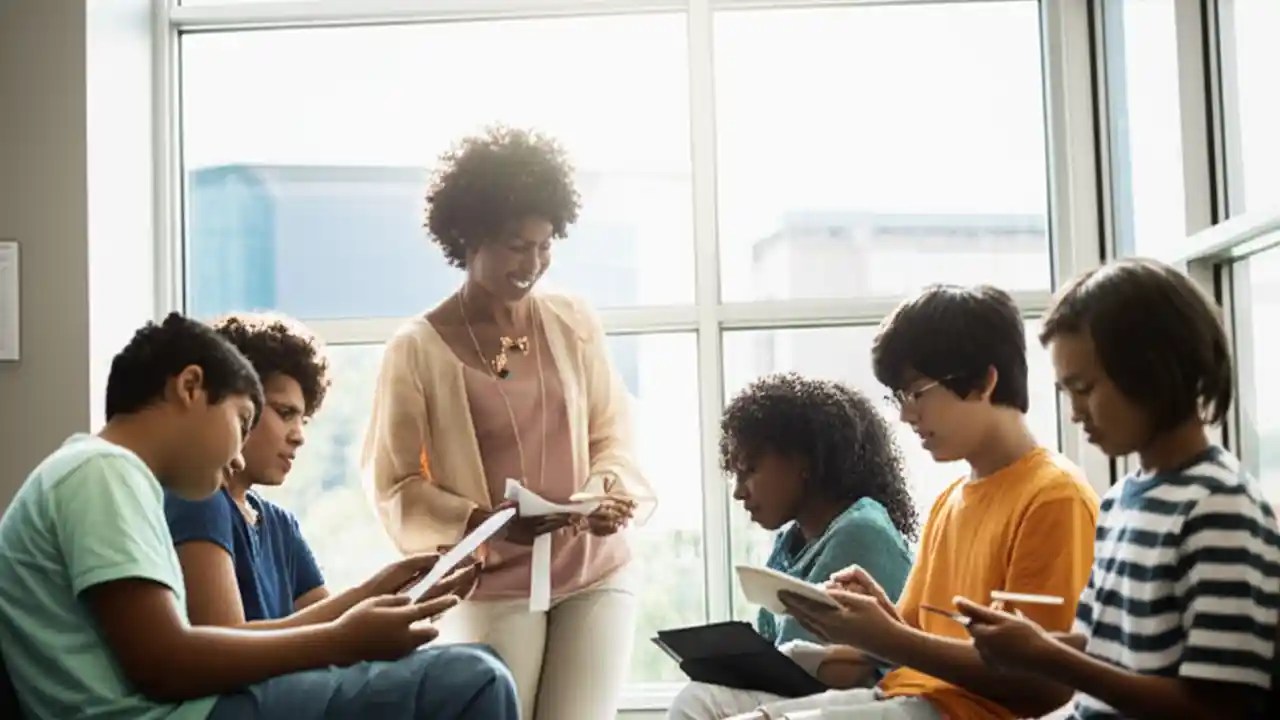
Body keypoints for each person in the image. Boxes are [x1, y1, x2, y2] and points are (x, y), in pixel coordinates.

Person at [0, 313, 518, 720]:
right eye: (242, 419)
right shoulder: (101, 472)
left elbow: (175, 649)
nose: (239, 448)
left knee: (484, 668)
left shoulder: (107, 475)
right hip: (169, 713)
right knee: (472, 679)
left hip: (181, 709)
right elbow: (165, 664)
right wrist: (343, 639)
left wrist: (373, 596)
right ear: (189, 387)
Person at [362, 125, 655, 720]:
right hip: (493, 581)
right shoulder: (416, 349)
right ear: (468, 235)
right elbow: (395, 486)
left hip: (595, 569)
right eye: (516, 245)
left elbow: (612, 435)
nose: (533, 263)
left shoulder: (572, 320)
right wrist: (486, 524)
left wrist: (601, 496)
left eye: (545, 244)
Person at [730, 284, 1101, 720]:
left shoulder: (1053, 497)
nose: (906, 414)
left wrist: (888, 636)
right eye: (898, 397)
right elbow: (917, 644)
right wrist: (875, 622)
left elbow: (1044, 685)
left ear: (984, 380)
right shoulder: (951, 500)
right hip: (909, 699)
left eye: (916, 392)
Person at [954, 258, 1280, 720]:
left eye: (1084, 388)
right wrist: (1027, 647)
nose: (1076, 413)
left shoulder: (1219, 508)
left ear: (1154, 371)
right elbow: (1103, 643)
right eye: (1067, 393)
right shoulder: (1122, 499)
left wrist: (1049, 658)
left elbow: (1217, 708)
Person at [165, 312, 481, 629]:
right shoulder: (197, 500)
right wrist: (372, 591)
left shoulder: (279, 524)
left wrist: (415, 601)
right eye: (285, 413)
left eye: (302, 420)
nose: (299, 436)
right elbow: (228, 645)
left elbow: (326, 627)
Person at [668, 373, 918, 720]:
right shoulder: (791, 541)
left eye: (750, 469)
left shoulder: (861, 532)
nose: (739, 491)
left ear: (804, 462)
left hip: (861, 701)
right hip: (803, 692)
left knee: (699, 702)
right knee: (699, 697)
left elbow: (851, 669)